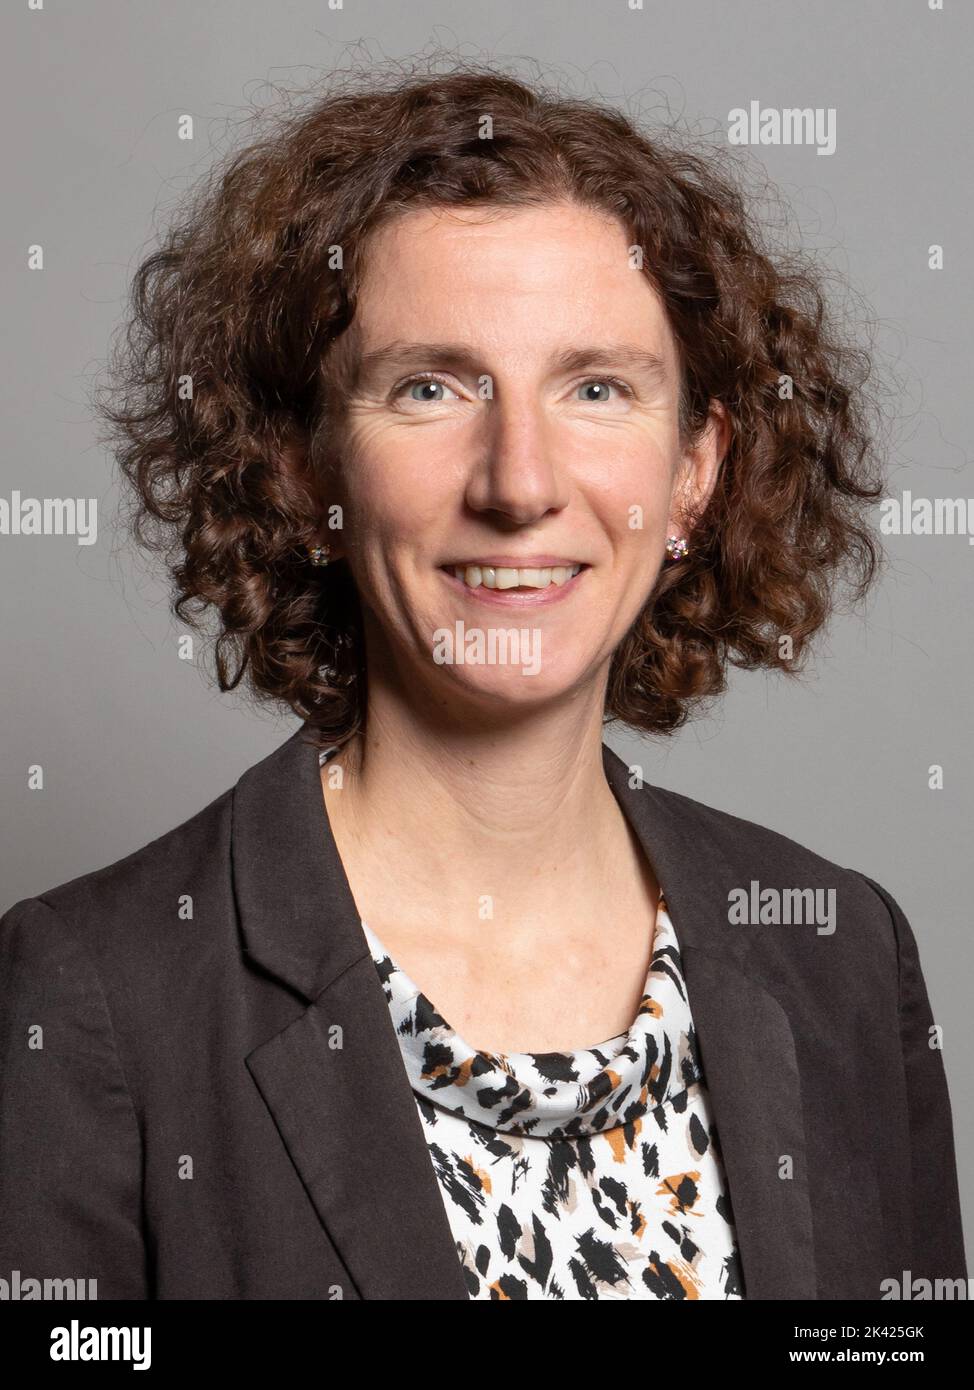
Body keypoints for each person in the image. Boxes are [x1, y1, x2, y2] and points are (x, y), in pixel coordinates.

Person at [0, 66, 966, 1301]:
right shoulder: (98, 991)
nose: (519, 482)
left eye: (597, 388)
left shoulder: (836, 952)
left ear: (693, 472)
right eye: (431, 387)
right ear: (307, 469)